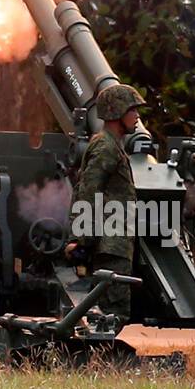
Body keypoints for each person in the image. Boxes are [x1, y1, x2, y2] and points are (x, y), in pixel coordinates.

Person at [64, 83, 146, 334]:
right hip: (112, 242)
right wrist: (80, 237)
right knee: (114, 310)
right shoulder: (106, 147)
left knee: (109, 309)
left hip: (116, 240)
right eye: (132, 110)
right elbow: (88, 190)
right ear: (116, 111)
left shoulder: (112, 145)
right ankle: (96, 359)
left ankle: (95, 356)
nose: (137, 116)